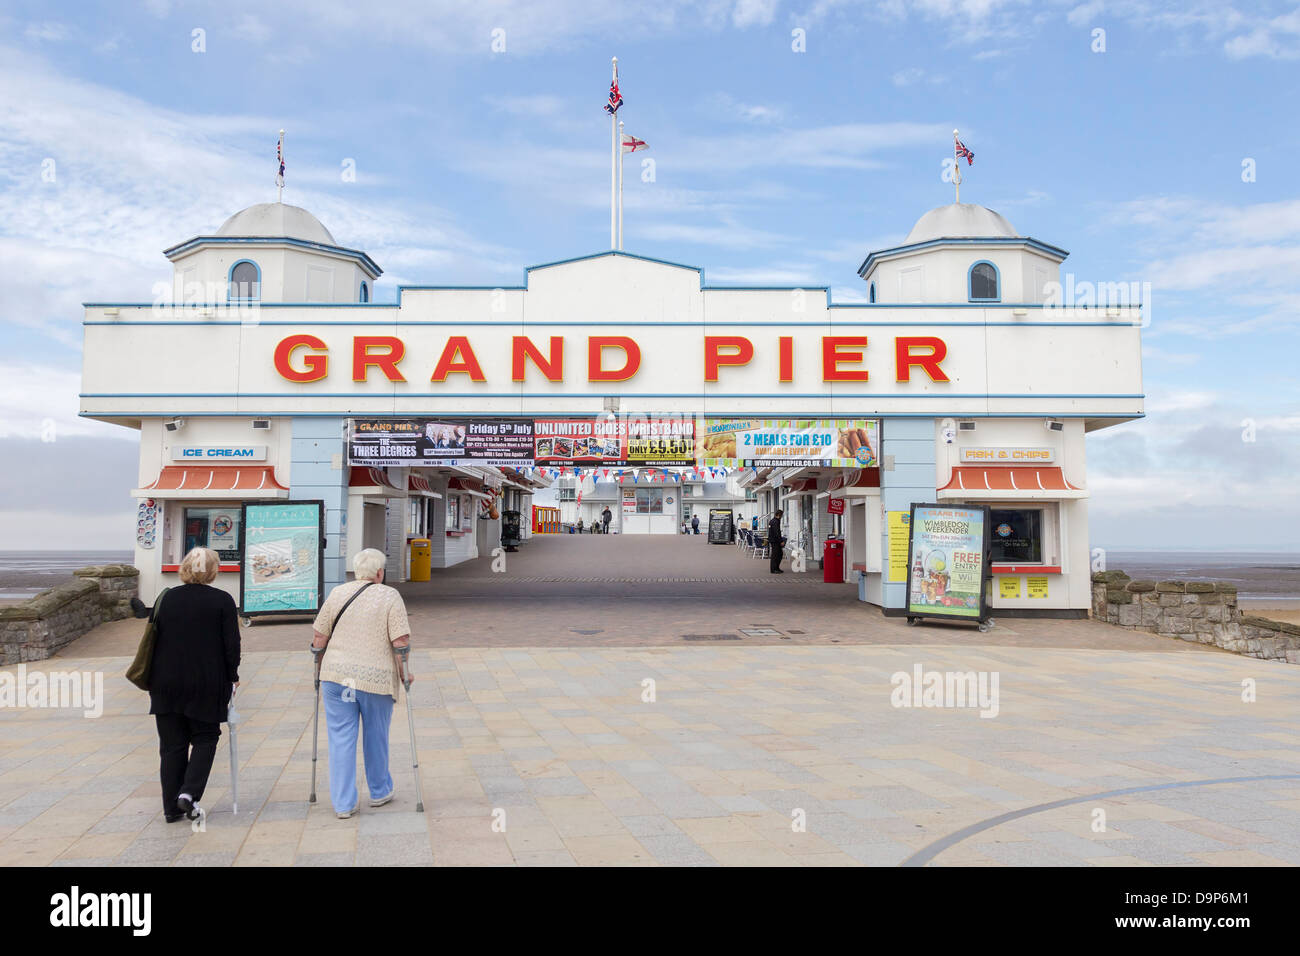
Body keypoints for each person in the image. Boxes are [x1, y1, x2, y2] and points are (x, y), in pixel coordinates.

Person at [311, 548, 413, 819]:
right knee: (376, 734)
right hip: (374, 679)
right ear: (379, 572)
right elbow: (400, 642)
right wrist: (404, 674)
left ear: (356, 570)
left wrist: (319, 668)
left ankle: (343, 804)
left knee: (341, 737)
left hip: (337, 677)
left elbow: (319, 637)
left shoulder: (337, 593)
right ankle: (379, 791)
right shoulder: (390, 596)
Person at [148, 547, 240, 822]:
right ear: (213, 570)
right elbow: (231, 646)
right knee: (206, 737)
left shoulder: (165, 599)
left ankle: (170, 808)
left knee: (172, 745)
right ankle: (188, 793)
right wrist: (232, 676)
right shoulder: (222, 600)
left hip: (165, 681)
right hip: (206, 682)